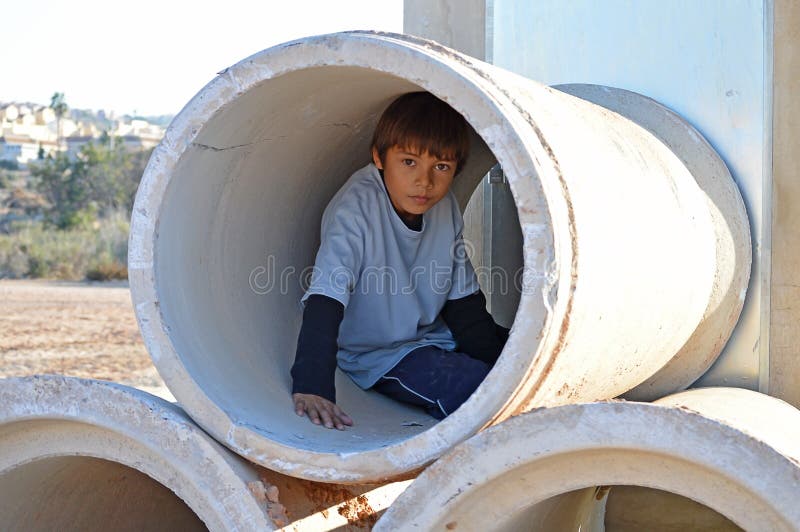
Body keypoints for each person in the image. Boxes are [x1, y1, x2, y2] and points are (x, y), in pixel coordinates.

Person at [290, 91, 509, 430]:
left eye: (441, 167)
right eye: (409, 162)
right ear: (379, 157)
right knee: (473, 387)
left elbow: (464, 303)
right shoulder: (357, 209)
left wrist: (503, 365)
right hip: (381, 353)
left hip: (435, 335)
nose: (425, 181)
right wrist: (312, 383)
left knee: (520, 355)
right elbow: (326, 295)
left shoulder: (444, 205)